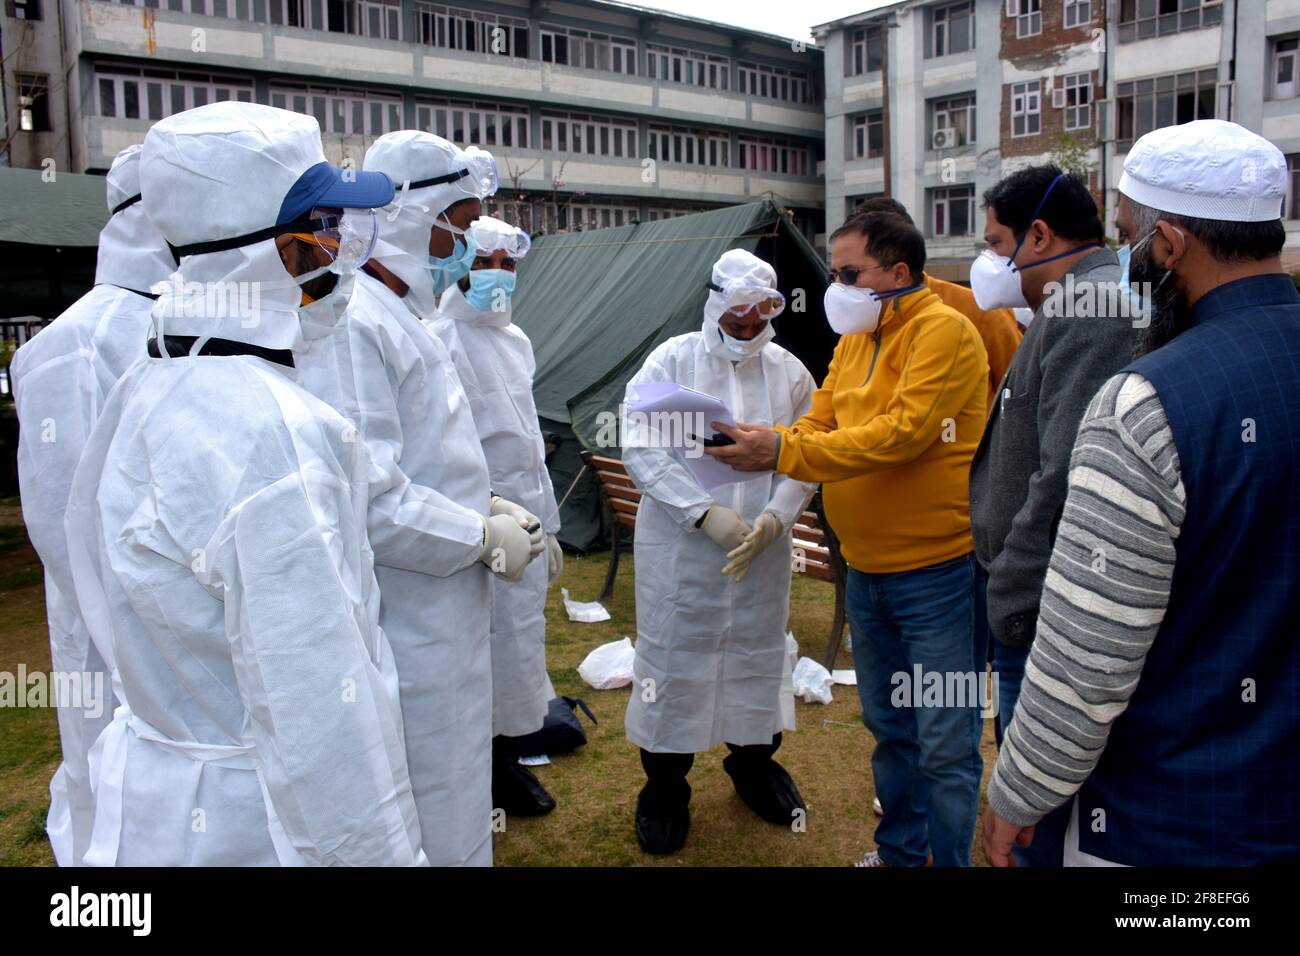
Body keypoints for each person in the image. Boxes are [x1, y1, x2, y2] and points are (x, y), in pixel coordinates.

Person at [63, 101, 427, 866]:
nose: (341, 248)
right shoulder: (270, 435)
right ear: (264, 250)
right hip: (249, 821)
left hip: (163, 797)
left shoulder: (156, 379)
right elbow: (321, 719)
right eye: (326, 223)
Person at [982, 120, 1300, 867]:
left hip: (1169, 821)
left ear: (1171, 243)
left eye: (1129, 235)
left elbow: (1088, 656)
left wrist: (1018, 792)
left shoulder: (1145, 405)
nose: (1124, 260)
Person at [707, 213, 989, 867]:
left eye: (849, 273)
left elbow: (902, 434)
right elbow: (822, 417)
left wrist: (779, 450)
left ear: (898, 272)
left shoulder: (943, 331)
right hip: (864, 569)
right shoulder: (858, 338)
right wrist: (771, 444)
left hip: (938, 573)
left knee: (945, 739)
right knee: (891, 727)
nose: (836, 286)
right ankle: (898, 853)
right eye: (834, 272)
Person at [297, 130, 542, 866]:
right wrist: (477, 533)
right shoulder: (352, 323)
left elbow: (431, 461)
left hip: (443, 611)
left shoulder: (403, 314)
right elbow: (368, 498)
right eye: (462, 227)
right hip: (407, 614)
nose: (469, 248)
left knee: (456, 785)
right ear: (408, 213)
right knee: (427, 795)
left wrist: (488, 509)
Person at [10, 144, 174, 866]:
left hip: (192, 636)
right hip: (121, 640)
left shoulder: (206, 322)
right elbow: (68, 531)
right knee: (118, 800)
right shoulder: (75, 345)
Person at [965, 165, 1134, 866]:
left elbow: (1062, 475)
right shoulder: (1072, 302)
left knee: (1041, 805)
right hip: (1033, 601)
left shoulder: (1092, 308)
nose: (990, 261)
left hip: (1042, 609)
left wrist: (1008, 589)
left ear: (1038, 234)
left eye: (997, 241)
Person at [621, 249, 816, 855]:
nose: (749, 325)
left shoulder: (790, 373)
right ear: (714, 305)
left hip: (762, 552)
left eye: (760, 315)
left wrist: (776, 519)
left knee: (756, 654)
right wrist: (701, 512)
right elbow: (643, 447)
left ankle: (753, 765)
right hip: (682, 553)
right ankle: (664, 786)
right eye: (737, 314)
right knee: (676, 660)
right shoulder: (674, 362)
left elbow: (809, 452)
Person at [427, 216, 564, 817]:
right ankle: (476, 770)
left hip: (525, 521)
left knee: (516, 648)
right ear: (456, 265)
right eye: (484, 263)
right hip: (473, 526)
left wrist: (551, 525)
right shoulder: (435, 340)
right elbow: (439, 451)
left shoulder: (517, 342)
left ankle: (505, 758)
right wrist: (481, 519)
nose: (497, 276)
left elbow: (529, 444)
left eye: (508, 265)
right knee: (475, 650)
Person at [853, 196, 1021, 411]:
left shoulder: (978, 309)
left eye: (854, 270)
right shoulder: (858, 321)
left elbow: (1017, 391)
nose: (843, 283)